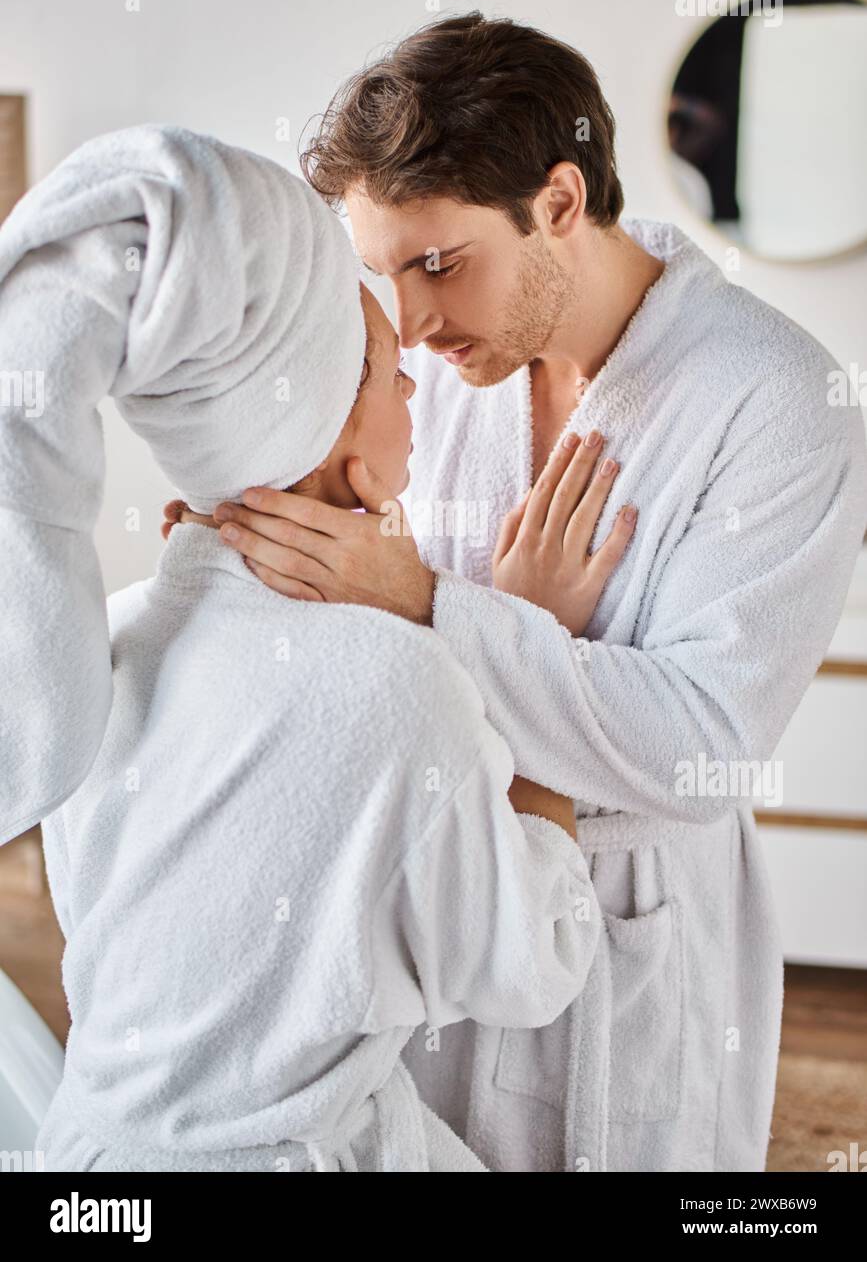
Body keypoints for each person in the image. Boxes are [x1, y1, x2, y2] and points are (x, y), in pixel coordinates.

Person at [179, 13, 867, 1172]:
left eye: (438, 262)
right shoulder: (445, 371)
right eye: (385, 272)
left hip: (632, 936)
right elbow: (347, 589)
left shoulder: (780, 397)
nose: (408, 323)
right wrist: (236, 541)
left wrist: (439, 607)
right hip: (441, 889)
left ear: (557, 203)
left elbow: (706, 739)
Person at [0, 123, 628, 1171]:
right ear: (347, 452)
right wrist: (531, 640)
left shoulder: (91, 648)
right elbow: (537, 958)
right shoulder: (403, 684)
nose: (416, 385)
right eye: (386, 370)